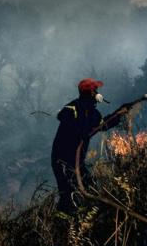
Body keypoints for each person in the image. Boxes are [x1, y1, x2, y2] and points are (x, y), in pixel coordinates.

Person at [50, 78, 128, 213]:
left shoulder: (93, 113)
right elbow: (62, 116)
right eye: (95, 90)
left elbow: (104, 124)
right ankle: (63, 222)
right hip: (62, 159)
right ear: (91, 93)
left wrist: (119, 113)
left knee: (90, 186)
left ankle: (88, 215)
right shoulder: (72, 108)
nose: (98, 93)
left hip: (77, 161)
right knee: (67, 193)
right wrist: (82, 132)